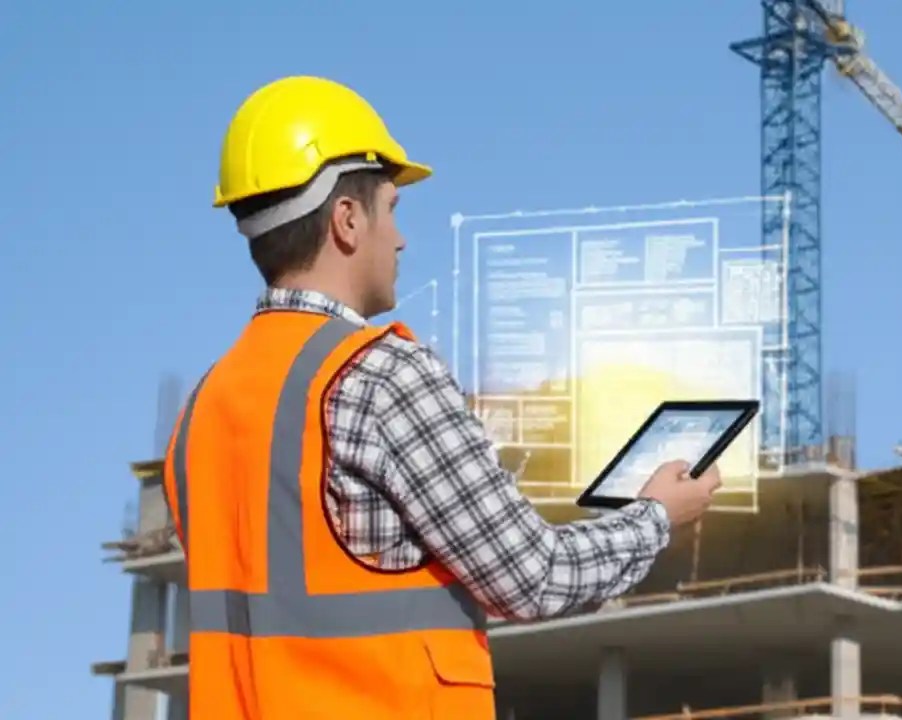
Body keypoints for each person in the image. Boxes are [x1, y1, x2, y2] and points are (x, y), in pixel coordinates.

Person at [161, 75, 723, 720]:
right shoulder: (379, 375)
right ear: (347, 219)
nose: (399, 238)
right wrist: (656, 516)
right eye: (392, 209)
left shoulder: (201, 413)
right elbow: (533, 575)